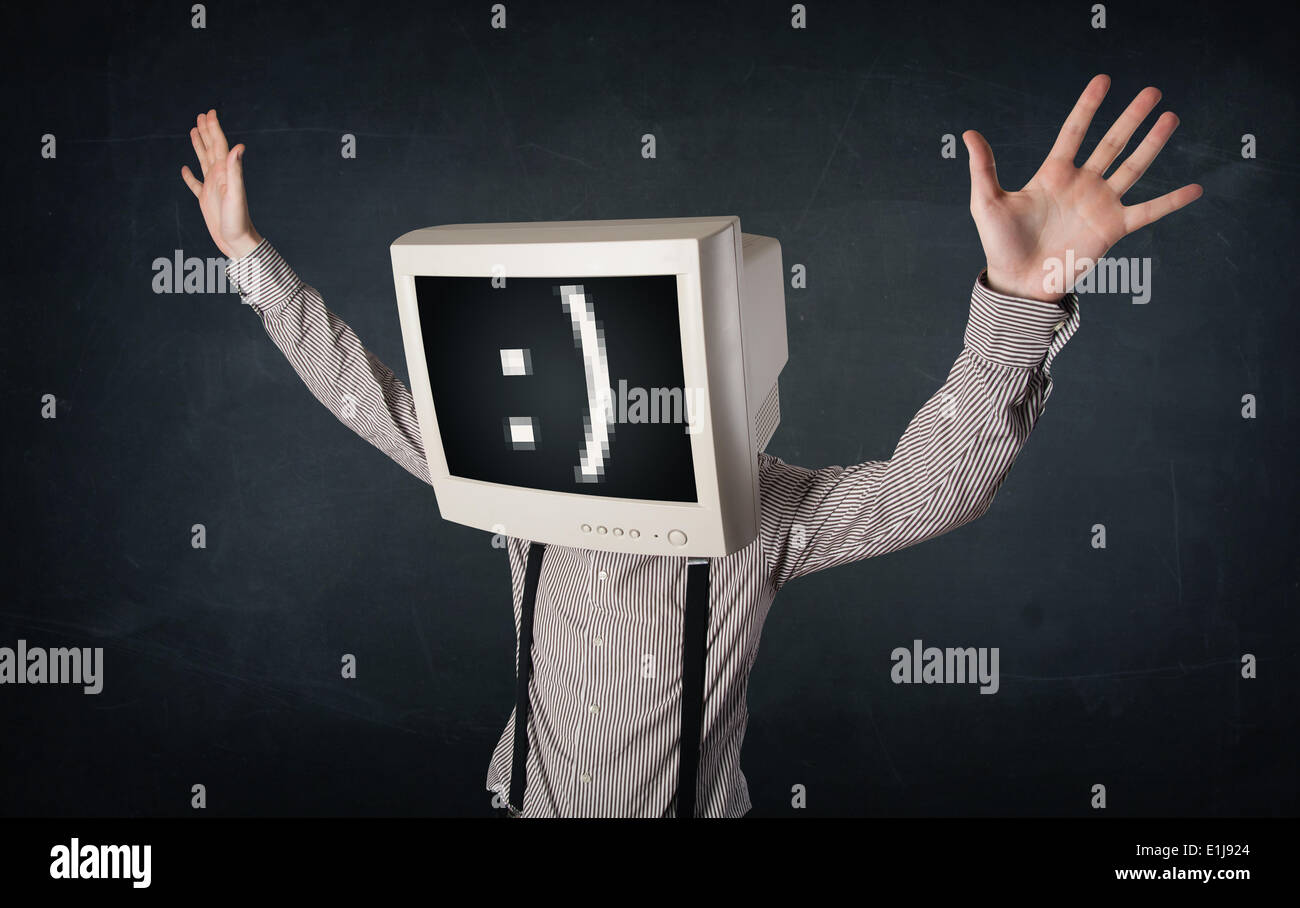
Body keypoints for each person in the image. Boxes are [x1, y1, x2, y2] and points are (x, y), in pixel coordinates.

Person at [180, 75, 1201, 817]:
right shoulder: (509, 469)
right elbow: (365, 392)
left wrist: (1021, 300)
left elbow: (929, 488)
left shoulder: (759, 509)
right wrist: (245, 256)